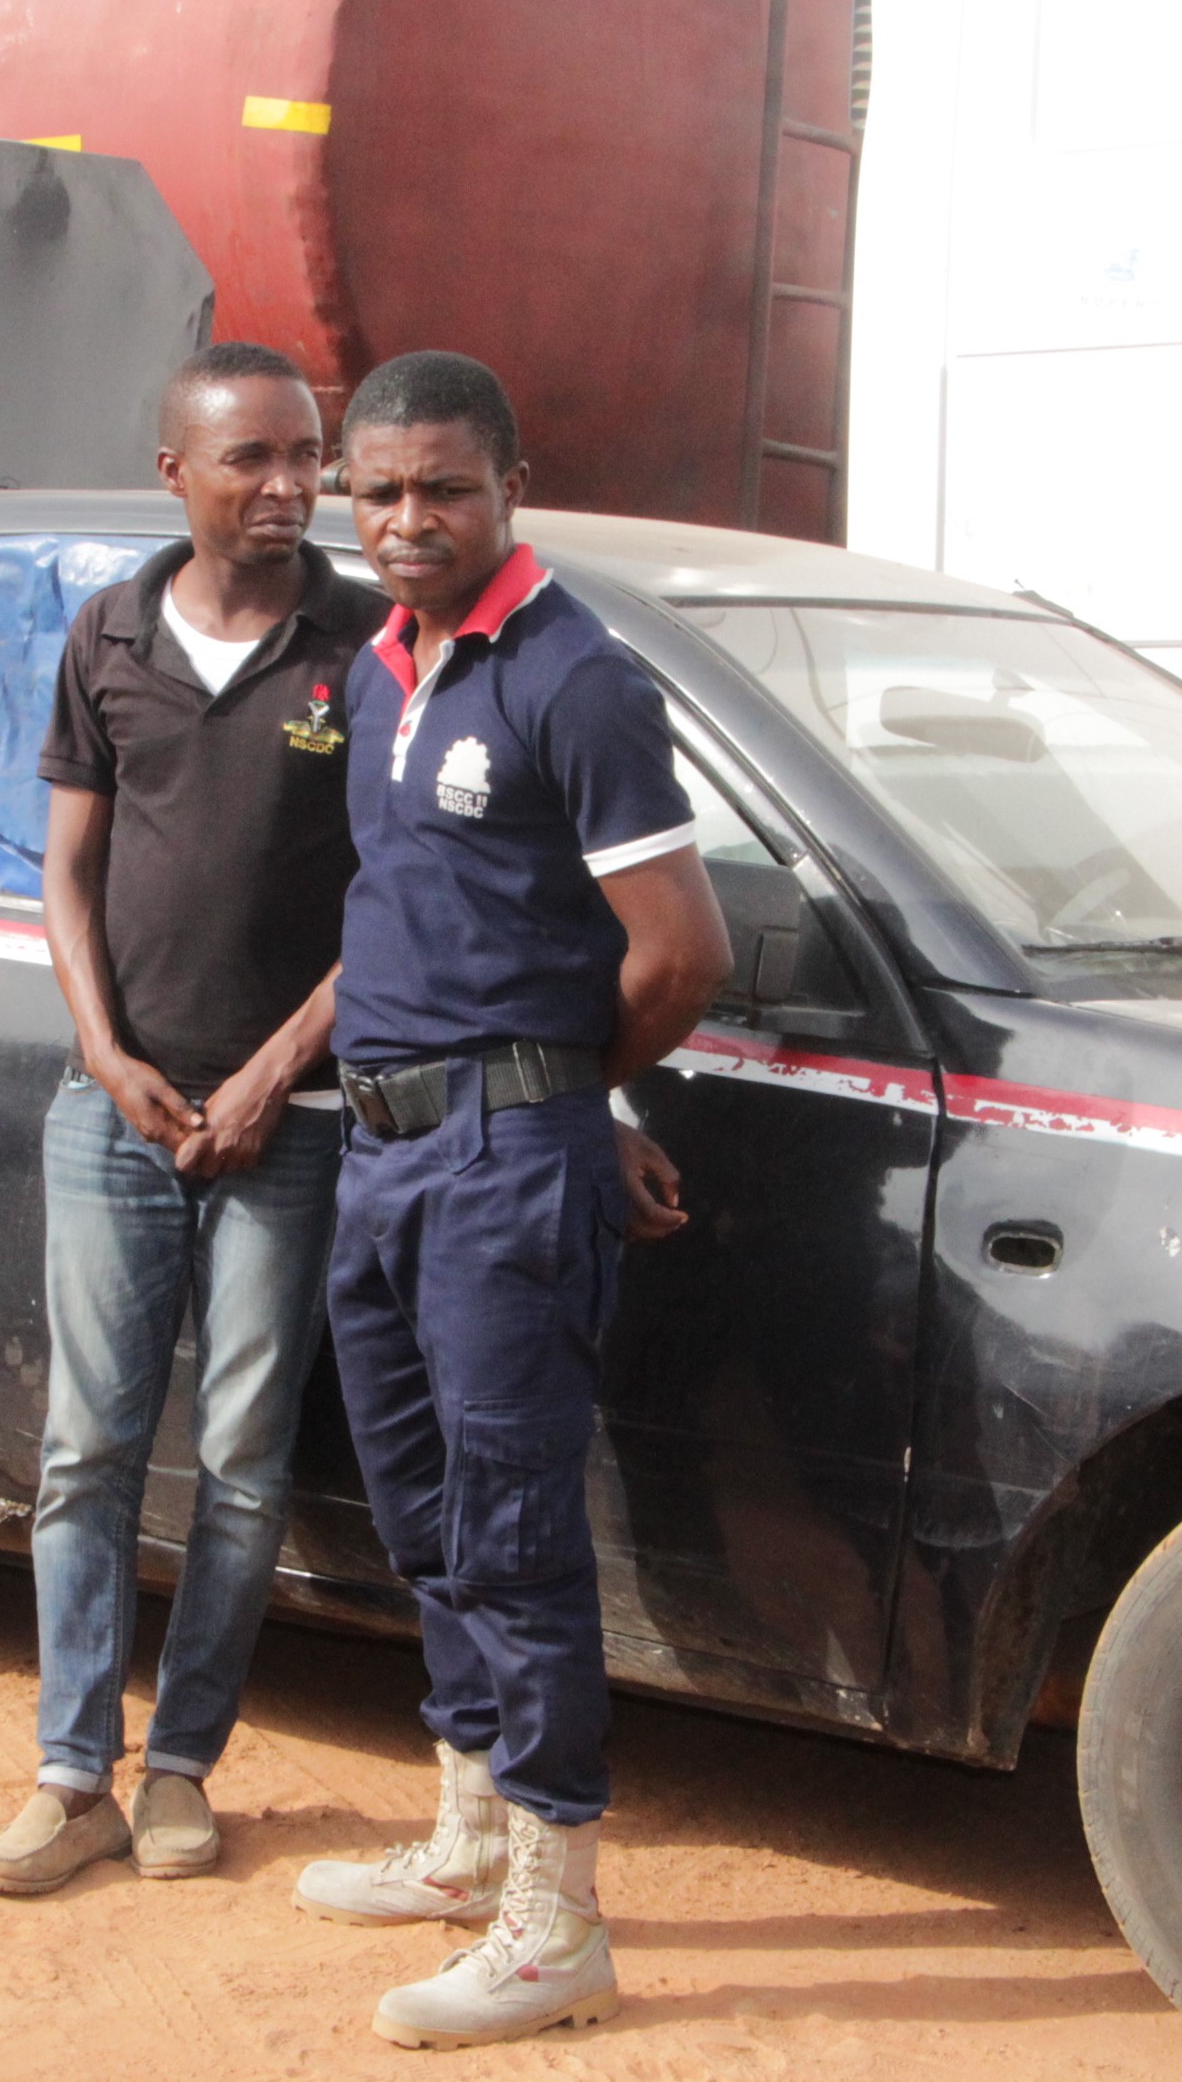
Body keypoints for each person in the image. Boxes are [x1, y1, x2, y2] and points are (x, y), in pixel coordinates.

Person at [292, 352, 732, 2048]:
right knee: (419, 1505)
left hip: (494, 1167)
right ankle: (472, 1838)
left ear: (510, 486)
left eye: (444, 490)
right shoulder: (387, 662)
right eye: (380, 490)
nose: (408, 520)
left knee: (516, 1530)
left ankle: (559, 1916)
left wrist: (567, 1097)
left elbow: (678, 954)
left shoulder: (576, 678)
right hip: (386, 1153)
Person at [0, 342, 385, 1895]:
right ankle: (72, 1774)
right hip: (115, 1119)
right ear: (176, 475)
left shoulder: (369, 644)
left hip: (304, 1119)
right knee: (86, 1446)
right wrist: (106, 1052)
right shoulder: (110, 634)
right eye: (253, 459)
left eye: (305, 456)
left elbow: (401, 897)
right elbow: (65, 873)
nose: (290, 485)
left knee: (246, 1460)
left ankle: (185, 1765)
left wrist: (278, 1069)